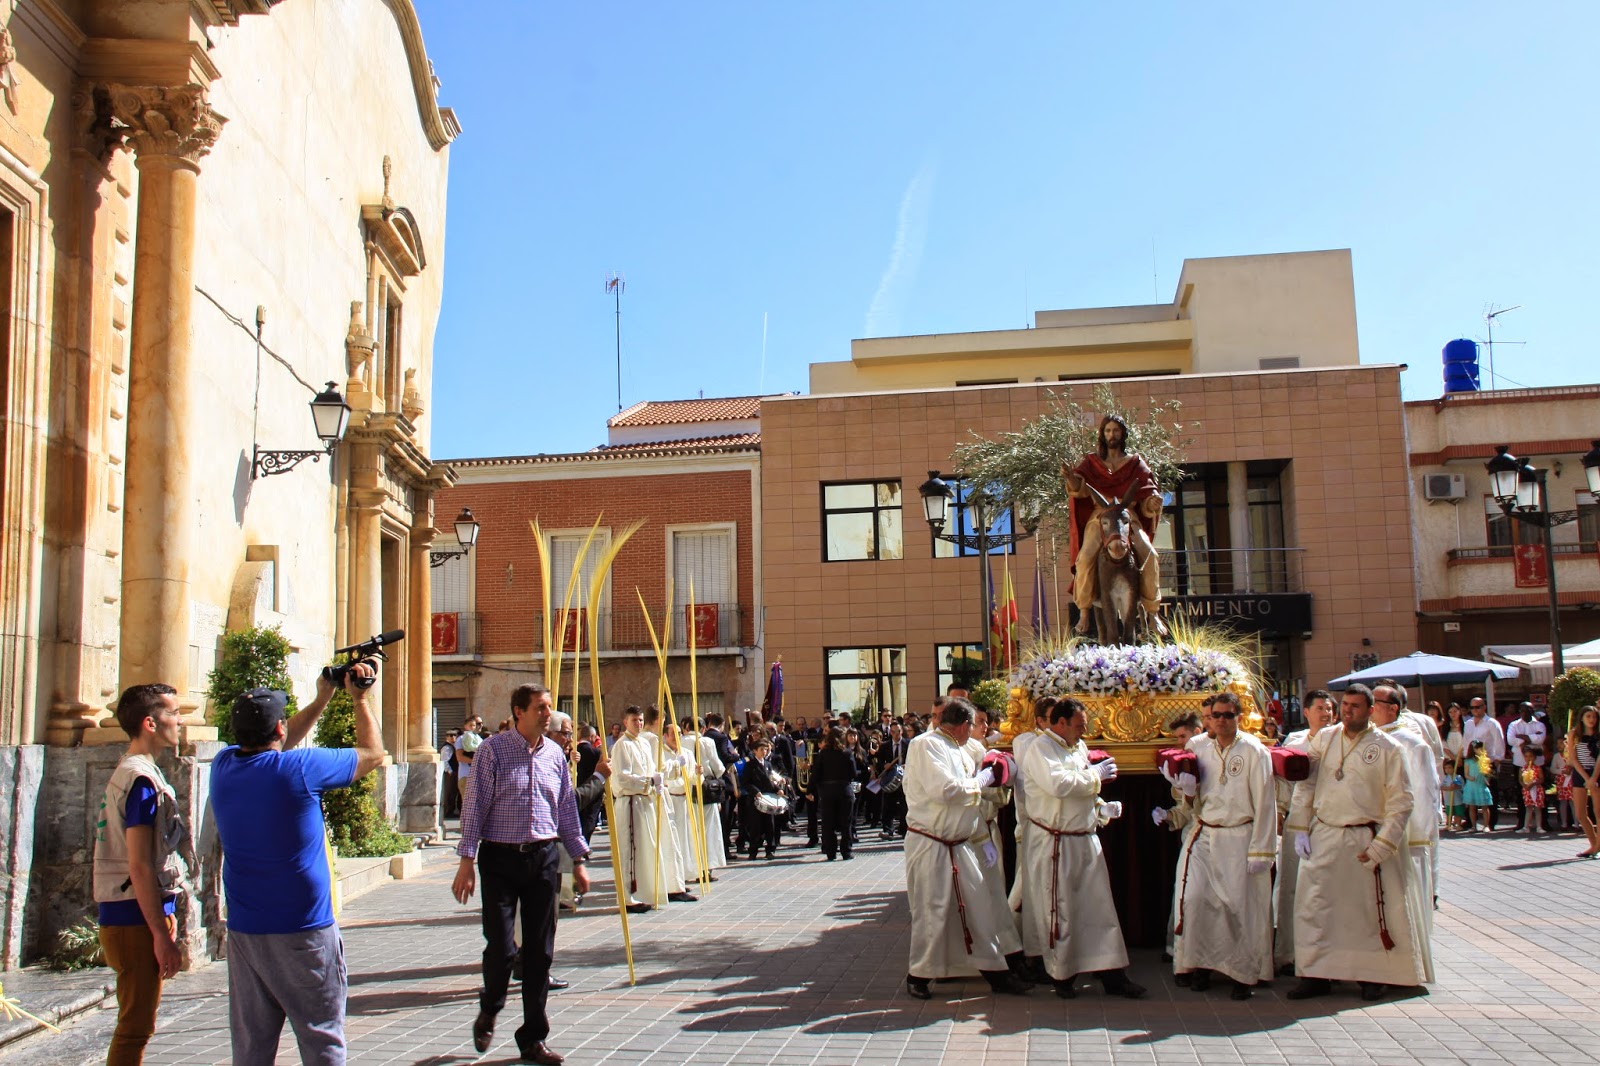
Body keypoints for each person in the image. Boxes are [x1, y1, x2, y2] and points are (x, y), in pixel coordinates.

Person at [211, 663, 384, 1065]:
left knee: (252, 1047)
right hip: (303, 930)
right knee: (321, 1038)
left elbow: (279, 744)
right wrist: (359, 698)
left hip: (246, 930)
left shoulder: (223, 767)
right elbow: (372, 755)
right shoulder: (300, 769)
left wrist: (323, 698)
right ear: (279, 730)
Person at [451, 684, 588, 1066]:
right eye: (541, 708)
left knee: (541, 952)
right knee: (501, 946)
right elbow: (475, 806)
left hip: (543, 858)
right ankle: (491, 1006)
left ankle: (533, 1037)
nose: (549, 714)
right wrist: (466, 860)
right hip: (499, 858)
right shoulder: (493, 751)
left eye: (550, 707)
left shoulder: (556, 758)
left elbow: (565, 809)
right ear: (519, 712)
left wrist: (577, 860)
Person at [1286, 684, 1431, 1002]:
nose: (1347, 710)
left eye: (1355, 705)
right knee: (1315, 907)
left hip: (1364, 836)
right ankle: (1315, 974)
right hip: (1324, 833)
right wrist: (1299, 828)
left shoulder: (1388, 747)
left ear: (1369, 711)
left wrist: (1383, 845)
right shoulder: (1324, 738)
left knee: (1365, 913)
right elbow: (1306, 783)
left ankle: (1370, 976)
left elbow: (1401, 801)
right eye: (1344, 704)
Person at [903, 698, 1029, 1000]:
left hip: (958, 843)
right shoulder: (926, 745)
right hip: (931, 843)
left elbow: (968, 801)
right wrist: (982, 780)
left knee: (980, 910)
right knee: (932, 911)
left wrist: (982, 838)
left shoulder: (958, 747)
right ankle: (918, 975)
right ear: (963, 725)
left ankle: (998, 974)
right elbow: (945, 791)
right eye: (973, 725)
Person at [1019, 696, 1144, 1000]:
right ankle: (1063, 975)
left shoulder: (1078, 747)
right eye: (1078, 726)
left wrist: (1101, 808)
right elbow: (1059, 786)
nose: (1083, 731)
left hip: (1085, 839)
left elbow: (1081, 790)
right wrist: (1096, 776)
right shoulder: (1041, 749)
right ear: (1060, 723)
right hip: (1056, 843)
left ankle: (1112, 974)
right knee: (1062, 910)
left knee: (1099, 909)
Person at [93, 683, 188, 1066]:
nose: (181, 720)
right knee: (134, 1030)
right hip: (132, 917)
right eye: (174, 713)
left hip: (136, 915)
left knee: (136, 1026)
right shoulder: (141, 782)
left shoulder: (138, 772)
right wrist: (159, 936)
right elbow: (139, 865)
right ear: (150, 722)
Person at [1170, 692, 1276, 1000]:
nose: (1220, 720)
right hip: (1205, 834)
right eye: (1215, 715)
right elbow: (1187, 800)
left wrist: (1262, 851)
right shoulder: (1197, 747)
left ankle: (1243, 973)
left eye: (1228, 715)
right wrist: (1185, 792)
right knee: (1196, 900)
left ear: (1238, 717)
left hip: (1240, 836)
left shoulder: (1255, 751)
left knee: (1238, 907)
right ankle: (1198, 965)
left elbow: (1266, 805)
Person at [1062, 413, 1165, 636]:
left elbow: (1148, 494)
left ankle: (1152, 611)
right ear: (1102, 434)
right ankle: (1084, 609)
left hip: (1127, 516)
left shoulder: (1136, 464)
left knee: (1150, 554)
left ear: (1123, 434)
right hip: (1101, 516)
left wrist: (1153, 502)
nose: (1112, 435)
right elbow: (1079, 487)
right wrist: (1070, 477)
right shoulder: (1092, 463)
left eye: (1116, 431)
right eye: (1108, 431)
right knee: (1085, 557)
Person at [1273, 689, 1333, 976]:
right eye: (1320, 707)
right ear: (1306, 712)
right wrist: (1281, 811)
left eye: (1329, 708)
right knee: (1291, 889)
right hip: (1297, 822)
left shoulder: (1339, 740)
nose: (1326, 712)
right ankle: (1289, 953)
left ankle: (1325, 955)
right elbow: (1285, 782)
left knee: (1324, 892)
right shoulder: (1294, 741)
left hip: (1326, 822)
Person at [609, 706, 694, 910]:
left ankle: (644, 892)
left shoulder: (644, 744)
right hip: (630, 802)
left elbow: (657, 770)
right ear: (625, 721)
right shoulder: (622, 745)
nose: (638, 724)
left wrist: (670, 768)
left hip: (646, 802)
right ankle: (628, 897)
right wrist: (648, 781)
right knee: (630, 850)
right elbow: (621, 778)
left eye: (640, 720)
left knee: (647, 850)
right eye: (634, 720)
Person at [1372, 683, 1441, 929]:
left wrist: (1418, 836)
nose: (1370, 708)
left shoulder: (1413, 743)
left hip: (1407, 837)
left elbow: (1425, 794)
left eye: (1375, 703)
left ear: (1392, 709)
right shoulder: (1369, 739)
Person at [808, 727, 858, 860]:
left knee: (828, 823)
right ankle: (846, 851)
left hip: (827, 791)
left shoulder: (823, 753)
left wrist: (810, 790)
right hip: (844, 789)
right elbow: (853, 773)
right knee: (846, 822)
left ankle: (831, 852)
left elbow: (816, 774)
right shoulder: (847, 753)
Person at [1505, 703, 1549, 833]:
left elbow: (1540, 739)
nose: (1525, 713)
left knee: (1540, 793)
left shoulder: (1539, 724)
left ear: (1532, 711)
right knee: (1522, 794)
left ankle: (1542, 823)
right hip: (1520, 762)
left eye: (1528, 710)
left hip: (1538, 763)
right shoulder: (1514, 725)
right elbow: (1510, 740)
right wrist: (1530, 739)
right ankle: (1523, 823)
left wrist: (1523, 738)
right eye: (1522, 710)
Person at [738, 737, 783, 860]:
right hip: (755, 799)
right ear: (755, 751)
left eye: (766, 749)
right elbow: (746, 782)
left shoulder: (767, 764)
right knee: (755, 826)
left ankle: (770, 849)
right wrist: (755, 792)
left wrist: (777, 789)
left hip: (767, 798)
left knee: (770, 825)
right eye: (762, 749)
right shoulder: (750, 765)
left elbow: (769, 781)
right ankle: (753, 851)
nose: (764, 752)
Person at [1564, 706, 1600, 857]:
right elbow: (1573, 758)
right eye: (1588, 717)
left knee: (1598, 812)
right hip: (1580, 773)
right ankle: (1594, 845)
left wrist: (1593, 778)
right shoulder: (1574, 734)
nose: (1592, 720)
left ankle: (1597, 847)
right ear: (1582, 718)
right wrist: (1586, 778)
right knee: (1580, 813)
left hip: (1597, 773)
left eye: (1594, 717)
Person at [1461, 741, 1495, 832]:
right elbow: (1466, 774)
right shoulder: (1468, 761)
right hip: (1471, 785)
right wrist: (1469, 777)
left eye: (1481, 748)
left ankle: (1486, 825)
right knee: (1472, 807)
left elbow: (1488, 773)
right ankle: (1473, 826)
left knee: (1485, 806)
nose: (1480, 750)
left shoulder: (1485, 760)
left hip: (1481, 785)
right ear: (1473, 750)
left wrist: (1487, 778)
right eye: (1478, 748)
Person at [1440, 759, 1465, 832]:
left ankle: (1458, 824)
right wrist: (1448, 788)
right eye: (1446, 768)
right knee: (1449, 812)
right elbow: (1442, 786)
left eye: (1449, 768)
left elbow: (1461, 786)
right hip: (1448, 798)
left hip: (1457, 798)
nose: (1447, 770)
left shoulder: (1458, 777)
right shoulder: (1445, 778)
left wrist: (1455, 787)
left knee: (1458, 812)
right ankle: (1448, 824)